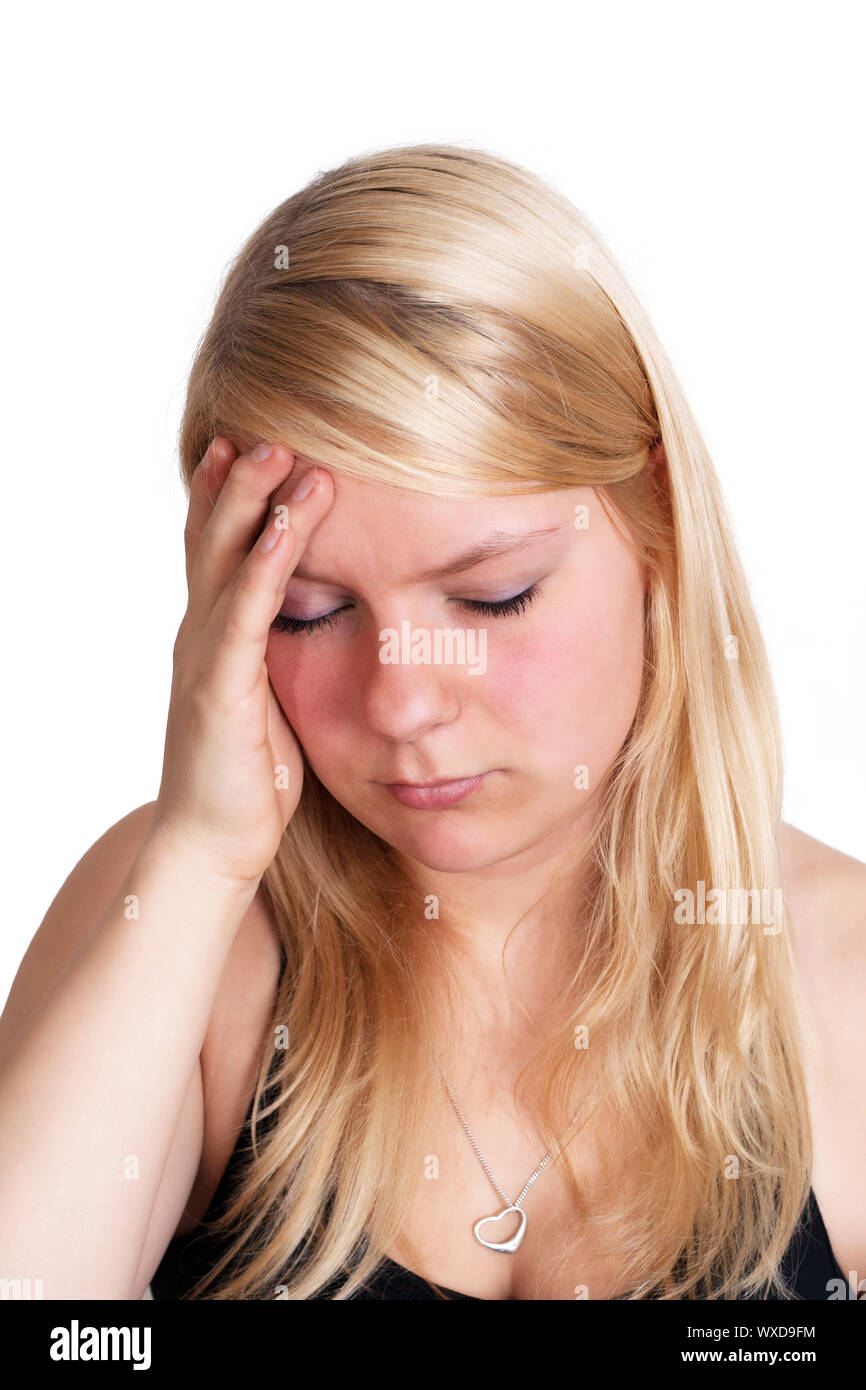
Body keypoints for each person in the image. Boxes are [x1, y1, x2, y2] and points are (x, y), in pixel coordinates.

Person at [1, 143, 863, 1302]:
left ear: (653, 516)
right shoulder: (183, 924)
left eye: (490, 596)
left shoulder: (836, 973)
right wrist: (201, 856)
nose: (402, 700)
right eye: (310, 613)